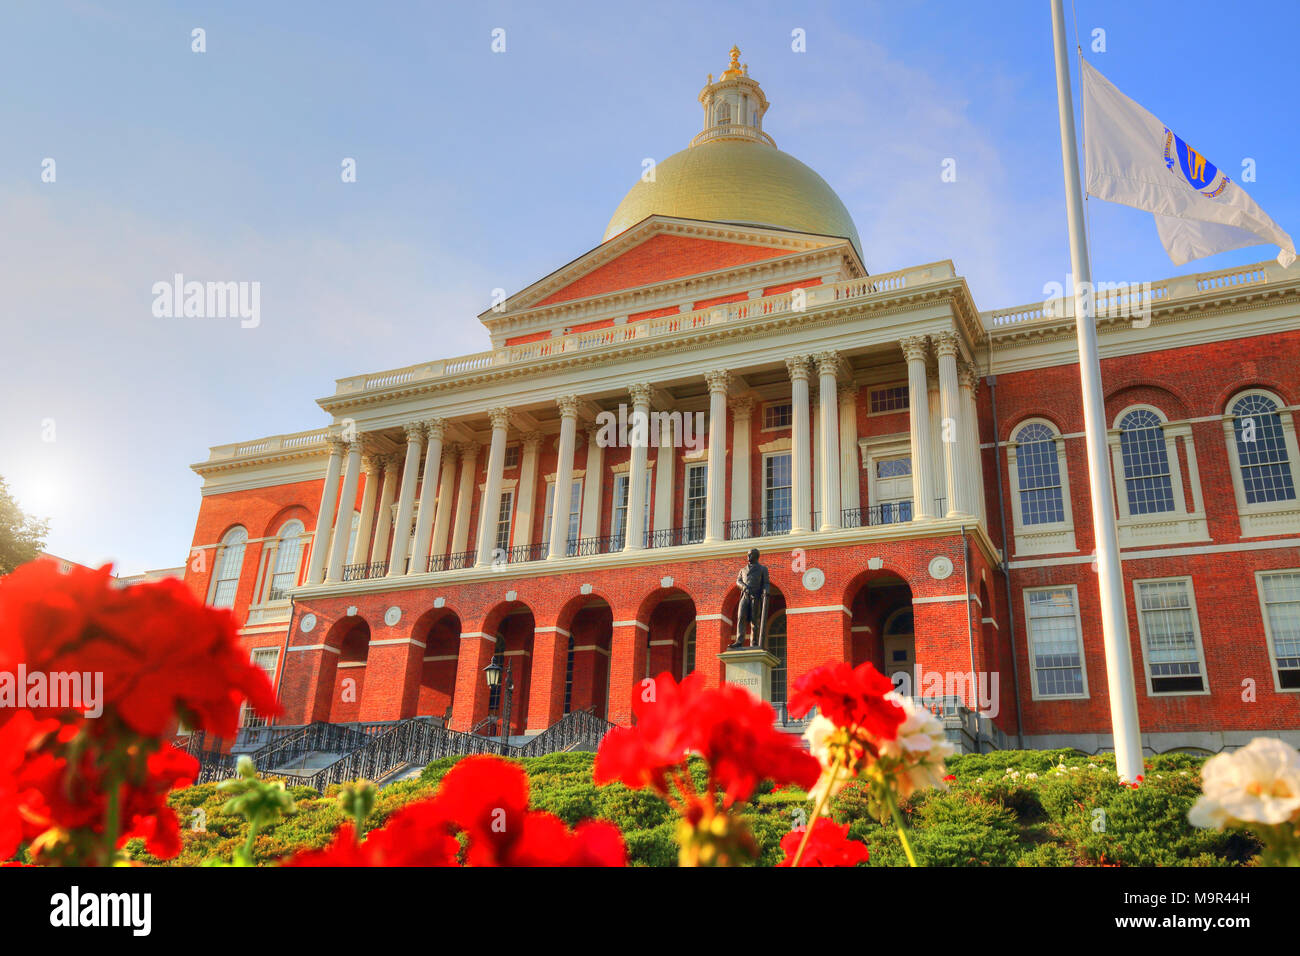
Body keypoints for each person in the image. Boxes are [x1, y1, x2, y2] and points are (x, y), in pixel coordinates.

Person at [729, 548, 769, 649]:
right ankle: (739, 640)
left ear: (756, 556)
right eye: (747, 555)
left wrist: (766, 591)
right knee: (741, 617)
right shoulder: (743, 570)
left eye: (750, 555)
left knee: (755, 621)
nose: (748, 557)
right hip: (745, 596)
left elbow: (766, 583)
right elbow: (738, 581)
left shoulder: (762, 569)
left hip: (755, 596)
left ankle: (754, 643)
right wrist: (744, 587)